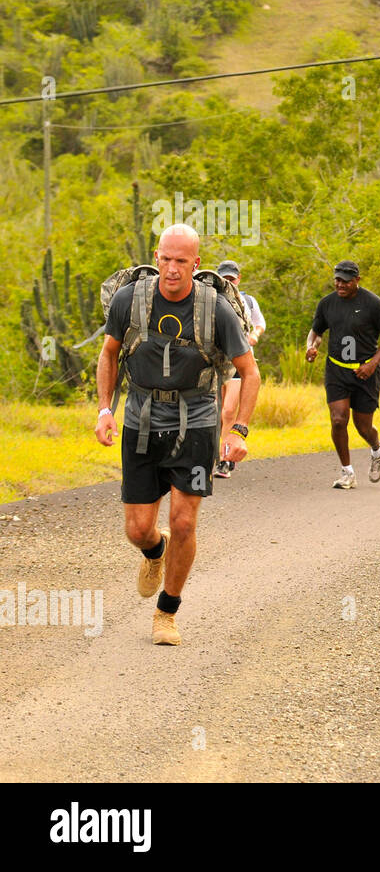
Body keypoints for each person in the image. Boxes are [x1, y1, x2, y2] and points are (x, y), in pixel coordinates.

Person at [94, 224, 260, 646]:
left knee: (184, 521)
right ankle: (154, 552)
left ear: (196, 264)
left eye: (181, 262)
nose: (171, 269)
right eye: (165, 258)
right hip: (140, 420)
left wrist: (238, 430)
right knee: (138, 530)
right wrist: (104, 410)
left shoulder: (216, 310)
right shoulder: (130, 300)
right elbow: (109, 353)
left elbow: (249, 371)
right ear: (157, 255)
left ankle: (167, 612)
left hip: (198, 423)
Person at [306, 260, 380, 489]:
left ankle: (377, 450)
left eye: (346, 280)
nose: (340, 284)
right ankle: (347, 472)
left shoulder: (372, 303)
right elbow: (316, 331)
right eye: (337, 279)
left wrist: (373, 363)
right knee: (338, 419)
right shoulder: (327, 303)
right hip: (337, 369)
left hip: (365, 372)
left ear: (357, 280)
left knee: (363, 426)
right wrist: (312, 346)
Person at [214, 260, 266, 478]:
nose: (229, 283)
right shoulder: (210, 300)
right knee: (214, 413)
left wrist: (254, 336)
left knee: (228, 411)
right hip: (216, 362)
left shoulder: (248, 301)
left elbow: (259, 324)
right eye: (224, 279)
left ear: (238, 278)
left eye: (232, 279)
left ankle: (225, 461)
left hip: (239, 362)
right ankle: (215, 455)